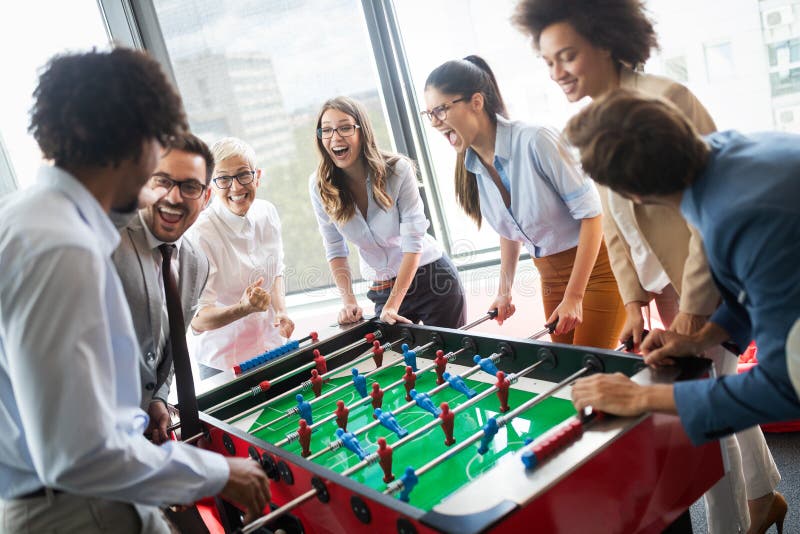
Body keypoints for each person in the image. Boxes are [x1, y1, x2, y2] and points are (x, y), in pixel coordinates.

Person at [512, 2, 783, 532]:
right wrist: (634, 299)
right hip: (660, 283)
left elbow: (710, 206)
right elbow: (613, 218)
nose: (558, 72)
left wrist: (698, 312)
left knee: (699, 412)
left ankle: (728, 521)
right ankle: (767, 495)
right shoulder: (589, 123)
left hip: (706, 278)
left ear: (606, 42)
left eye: (567, 55)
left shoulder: (669, 100)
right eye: (548, 62)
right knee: (710, 387)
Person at [0, 48, 269, 532]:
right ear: (134, 141)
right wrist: (216, 472)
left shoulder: (31, 220)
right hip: (78, 508)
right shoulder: (61, 246)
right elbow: (79, 454)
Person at [566, 90, 800, 534]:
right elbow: (748, 292)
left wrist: (642, 398)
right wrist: (701, 336)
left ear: (633, 195)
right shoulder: (721, 155)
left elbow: (784, 386)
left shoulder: (740, 216)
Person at [423, 56, 624, 348]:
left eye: (440, 109)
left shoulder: (536, 140)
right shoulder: (474, 164)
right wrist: (504, 291)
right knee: (562, 373)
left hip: (598, 272)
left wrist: (574, 297)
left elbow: (593, 217)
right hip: (551, 279)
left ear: (476, 102)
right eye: (428, 114)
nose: (434, 122)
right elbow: (509, 231)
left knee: (588, 374)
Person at [309, 96, 466, 328]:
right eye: (327, 130)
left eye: (344, 128)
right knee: (397, 361)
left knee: (451, 361)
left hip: (431, 278)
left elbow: (413, 242)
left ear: (362, 132)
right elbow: (335, 247)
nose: (335, 137)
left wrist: (394, 305)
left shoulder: (398, 170)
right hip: (383, 287)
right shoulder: (319, 185)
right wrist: (349, 301)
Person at [112, 133, 213, 444]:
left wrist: (157, 396)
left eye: (190, 186)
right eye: (162, 181)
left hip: (147, 436)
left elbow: (168, 348)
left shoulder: (197, 263)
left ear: (206, 197)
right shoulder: (107, 241)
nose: (173, 196)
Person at [188, 137, 295, 371]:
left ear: (257, 176)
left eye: (243, 175)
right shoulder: (200, 234)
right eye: (223, 179)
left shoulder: (268, 212)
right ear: (211, 186)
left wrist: (281, 311)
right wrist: (242, 308)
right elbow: (197, 320)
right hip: (224, 364)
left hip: (272, 348)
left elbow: (276, 271)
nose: (235, 187)